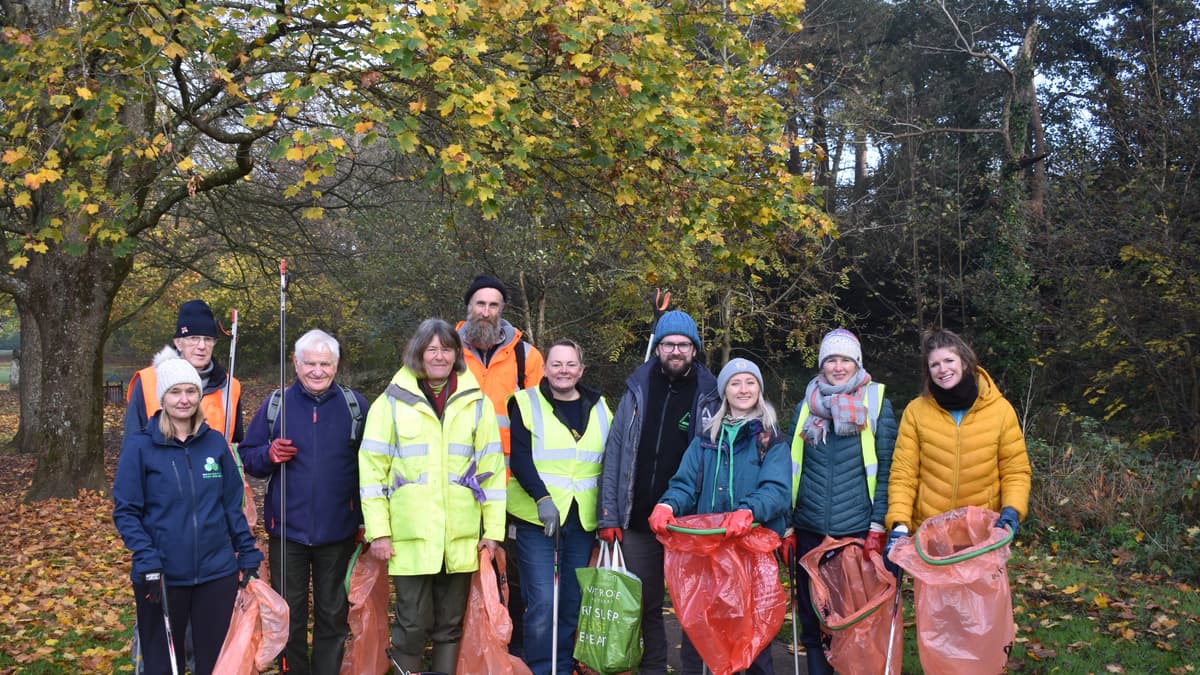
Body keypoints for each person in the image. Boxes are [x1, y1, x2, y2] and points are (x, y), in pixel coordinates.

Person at [358, 318, 507, 674]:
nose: (439, 356)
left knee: (450, 625)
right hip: (410, 537)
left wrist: (493, 532)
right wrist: (378, 531)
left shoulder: (477, 403)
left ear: (457, 354)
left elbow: (492, 470)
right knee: (411, 623)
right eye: (432, 349)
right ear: (418, 353)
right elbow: (372, 470)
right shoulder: (390, 402)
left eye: (447, 349)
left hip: (460, 537)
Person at [113, 356, 263, 675]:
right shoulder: (141, 447)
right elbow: (126, 511)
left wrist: (247, 551)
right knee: (163, 665)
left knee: (215, 663)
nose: (184, 399)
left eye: (191, 391)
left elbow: (231, 505)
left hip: (216, 573)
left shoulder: (214, 444)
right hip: (162, 574)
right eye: (175, 392)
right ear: (163, 397)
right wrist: (146, 557)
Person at [597, 309, 720, 674]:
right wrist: (609, 514)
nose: (676, 350)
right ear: (658, 348)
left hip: (690, 523)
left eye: (683, 344)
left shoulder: (712, 394)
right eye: (668, 344)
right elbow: (615, 453)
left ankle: (693, 670)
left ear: (694, 349)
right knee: (645, 605)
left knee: (693, 607)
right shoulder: (637, 389)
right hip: (638, 519)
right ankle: (652, 668)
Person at [239, 329, 368, 675]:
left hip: (338, 531)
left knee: (333, 614)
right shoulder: (276, 405)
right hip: (287, 531)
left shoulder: (355, 406)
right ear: (295, 364)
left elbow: (371, 467)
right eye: (309, 363)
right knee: (288, 613)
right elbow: (248, 456)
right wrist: (268, 454)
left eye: (325, 363)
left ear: (336, 365)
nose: (317, 371)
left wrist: (363, 520)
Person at [650, 357, 791, 675]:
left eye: (750, 382)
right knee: (700, 634)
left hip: (750, 553)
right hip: (706, 555)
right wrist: (668, 505)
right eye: (735, 383)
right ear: (724, 391)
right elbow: (684, 485)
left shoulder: (770, 440)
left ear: (759, 389)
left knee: (752, 637)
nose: (743, 389)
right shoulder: (705, 440)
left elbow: (777, 490)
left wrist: (749, 510)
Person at [781, 329, 897, 675]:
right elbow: (790, 467)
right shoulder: (806, 405)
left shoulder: (876, 403)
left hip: (856, 532)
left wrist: (878, 525)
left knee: (851, 620)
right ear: (822, 365)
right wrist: (787, 525)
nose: (838, 366)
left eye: (845, 359)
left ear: (856, 363)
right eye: (831, 359)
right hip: (809, 530)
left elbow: (888, 468)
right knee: (813, 617)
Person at [507, 339, 612, 675]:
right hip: (536, 520)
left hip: (581, 519)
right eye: (556, 364)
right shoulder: (526, 403)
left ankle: (562, 667)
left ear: (581, 370)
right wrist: (542, 498)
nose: (563, 371)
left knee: (570, 600)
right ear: (545, 368)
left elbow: (611, 460)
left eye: (570, 364)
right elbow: (520, 458)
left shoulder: (601, 407)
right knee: (542, 600)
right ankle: (541, 668)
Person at [456, 273, 544, 654]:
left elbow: (542, 422)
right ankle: (465, 650)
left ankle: (512, 651)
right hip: (459, 485)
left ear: (503, 310)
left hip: (512, 485)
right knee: (460, 571)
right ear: (468, 307)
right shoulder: (445, 350)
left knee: (514, 575)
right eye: (480, 303)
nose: (486, 311)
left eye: (494, 305)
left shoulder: (527, 357)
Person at [884, 328, 1032, 555]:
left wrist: (1012, 509)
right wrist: (899, 523)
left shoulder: (1000, 411)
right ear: (928, 371)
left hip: (982, 535)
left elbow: (1015, 470)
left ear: (964, 362)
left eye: (949, 360)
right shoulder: (915, 412)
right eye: (934, 365)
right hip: (931, 536)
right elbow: (904, 473)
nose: (943, 369)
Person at [125, 300, 243, 443]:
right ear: (178, 343)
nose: (202, 346)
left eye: (208, 339)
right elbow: (132, 443)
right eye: (194, 338)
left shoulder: (230, 386)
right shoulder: (147, 381)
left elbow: (237, 445)